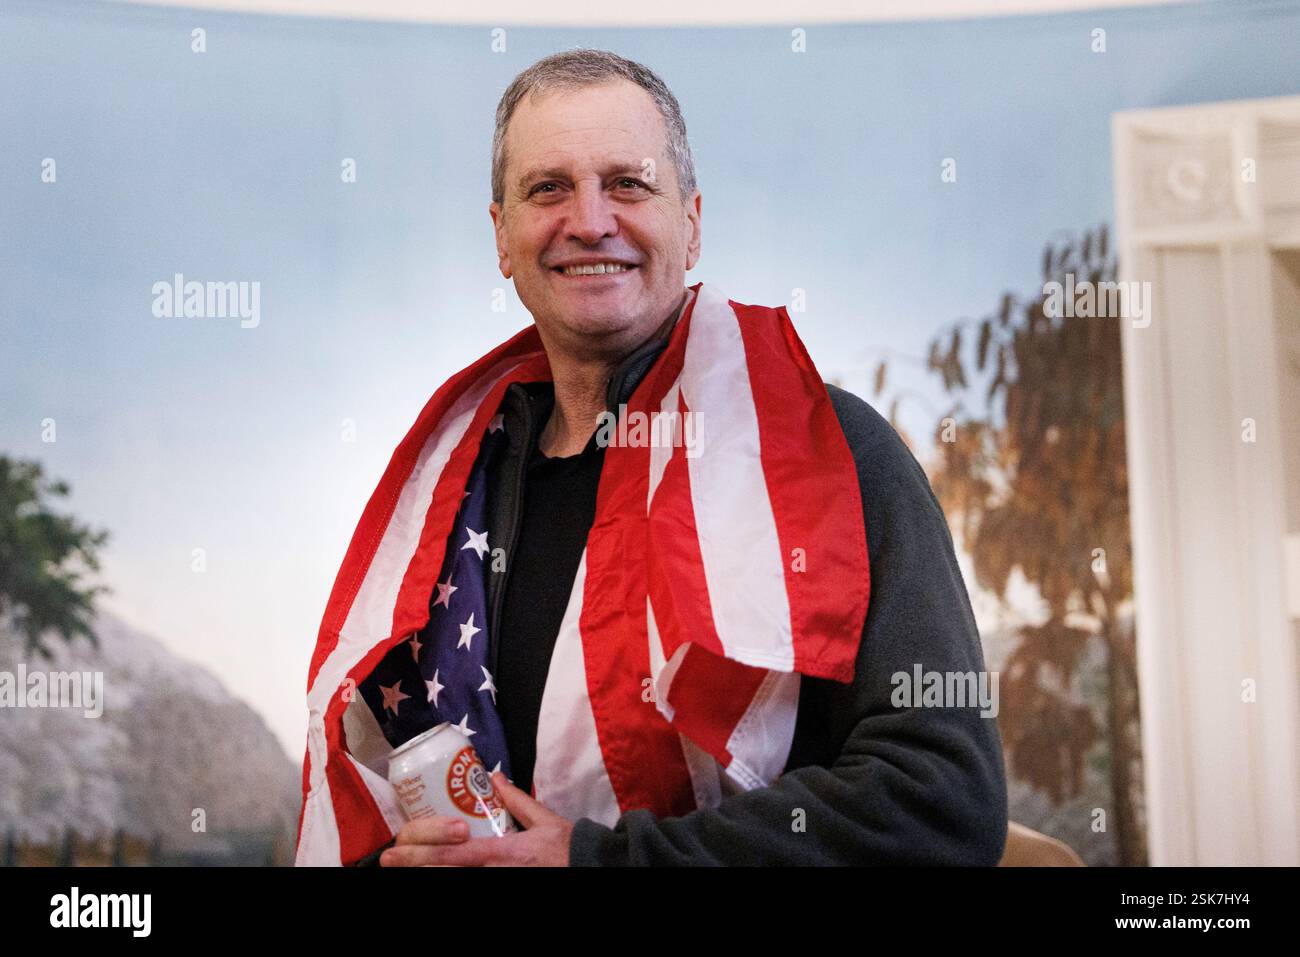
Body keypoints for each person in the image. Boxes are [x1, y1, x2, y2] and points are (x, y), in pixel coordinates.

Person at [295, 48, 1007, 867]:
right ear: (501, 235)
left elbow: (945, 802)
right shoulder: (445, 500)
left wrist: (599, 861)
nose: (590, 220)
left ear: (692, 221)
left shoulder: (836, 456)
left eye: (627, 184)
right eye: (548, 188)